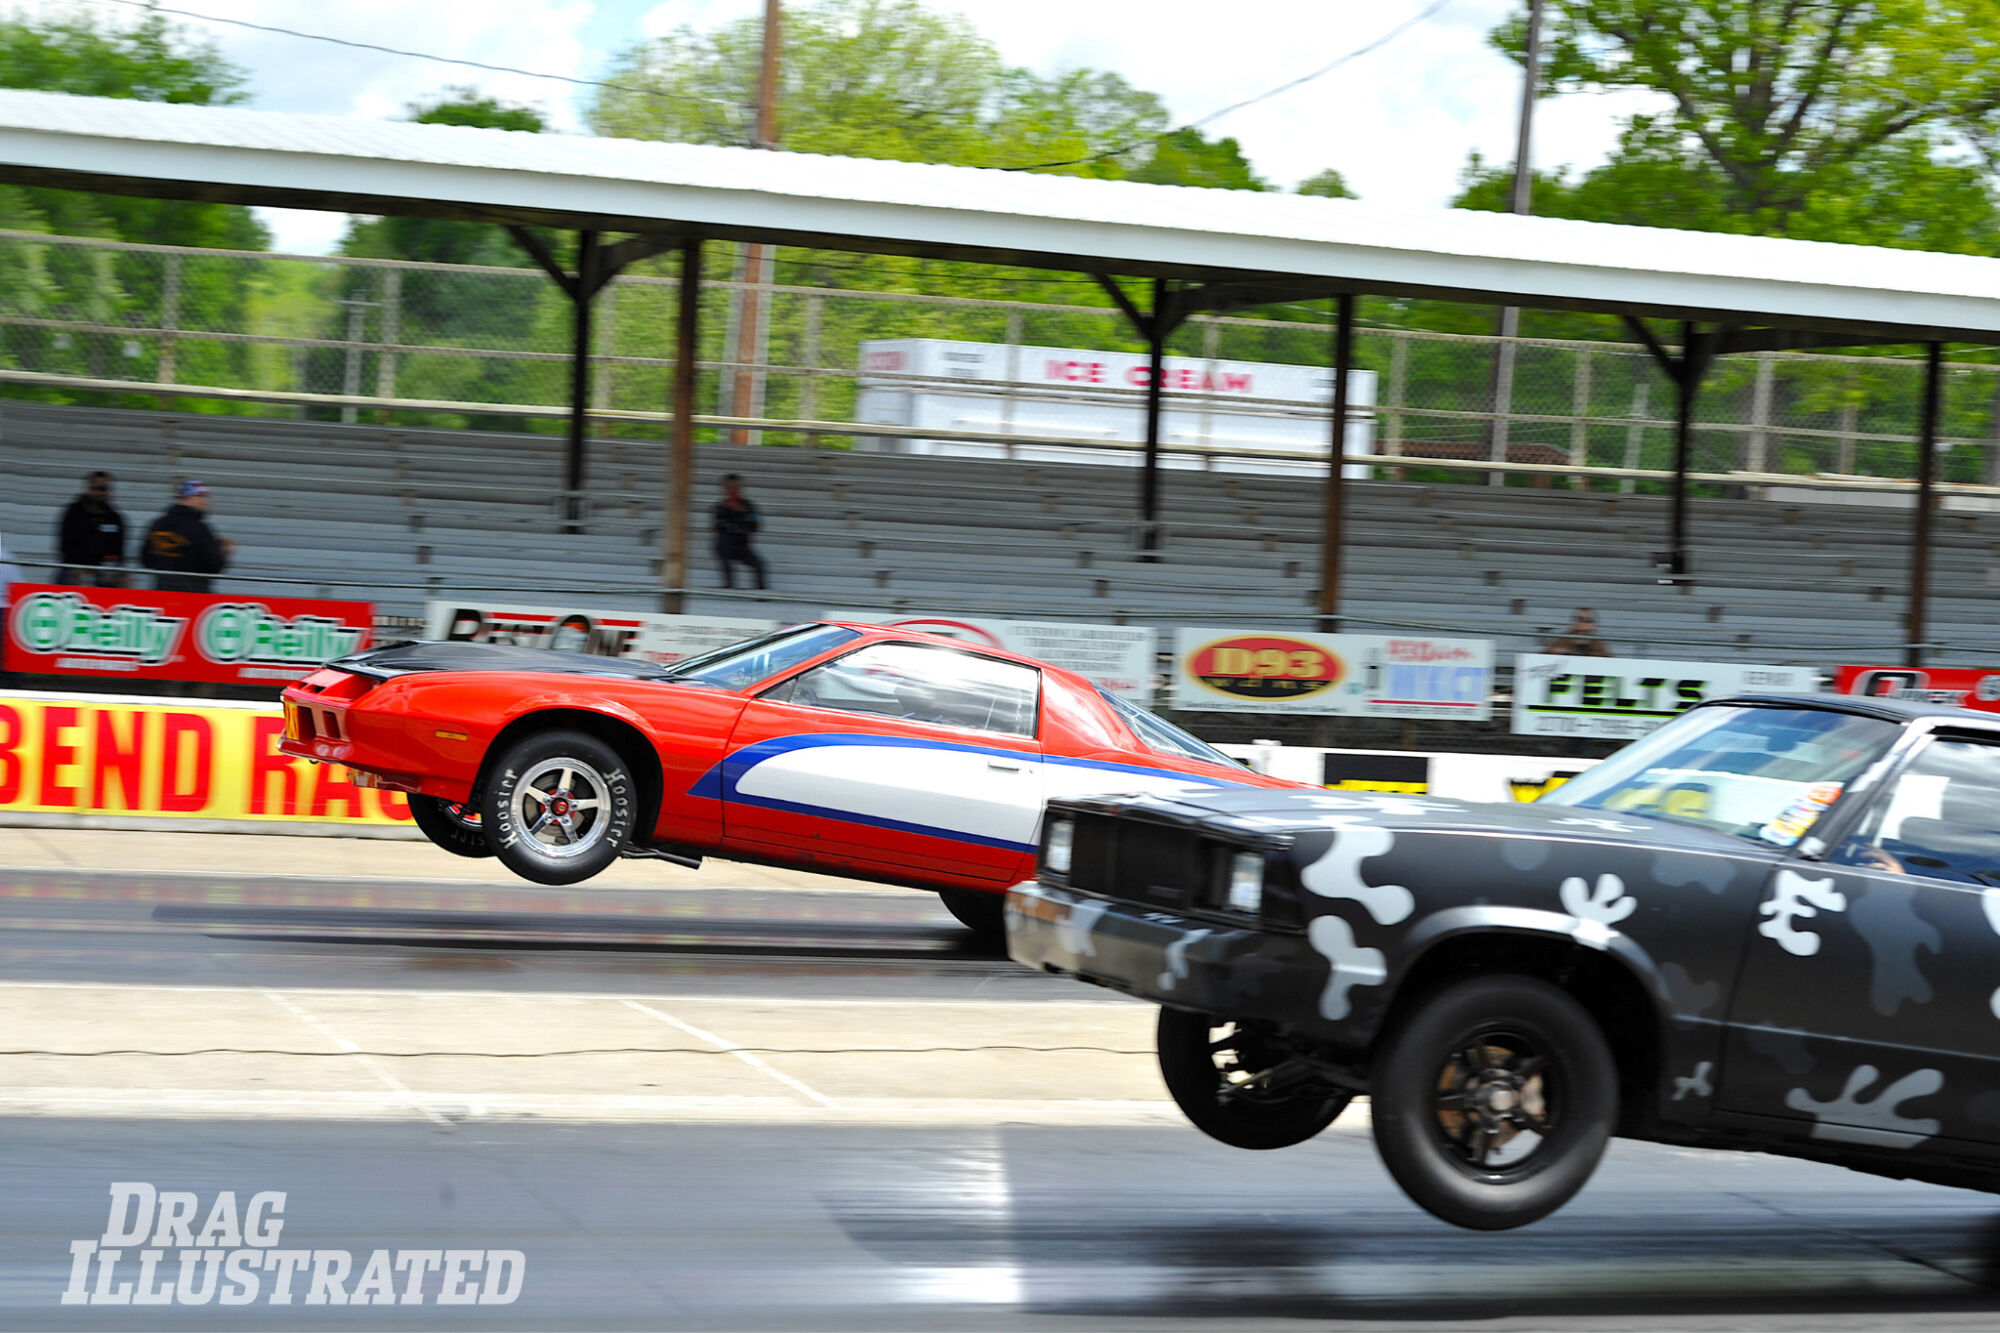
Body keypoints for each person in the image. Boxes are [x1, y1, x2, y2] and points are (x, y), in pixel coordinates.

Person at [142, 479, 234, 594]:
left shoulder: (157, 525)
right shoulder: (199, 528)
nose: (206, 502)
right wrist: (224, 551)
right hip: (193, 596)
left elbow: (146, 560)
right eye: (203, 497)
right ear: (192, 498)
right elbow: (214, 565)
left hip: (161, 593)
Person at [56, 471, 127, 585]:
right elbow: (65, 546)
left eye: (106, 489)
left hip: (104, 570)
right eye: (99, 488)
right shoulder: (73, 513)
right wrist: (80, 568)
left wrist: (116, 572)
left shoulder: (115, 518)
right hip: (75, 568)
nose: (102, 492)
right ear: (88, 489)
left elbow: (119, 551)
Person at [712, 473, 768, 591]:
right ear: (725, 489)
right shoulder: (720, 507)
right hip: (726, 544)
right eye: (730, 488)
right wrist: (739, 524)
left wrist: (740, 513)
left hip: (742, 545)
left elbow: (755, 526)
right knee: (723, 542)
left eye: (736, 487)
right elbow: (719, 527)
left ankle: (761, 593)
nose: (733, 491)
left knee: (760, 565)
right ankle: (729, 585)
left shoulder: (748, 506)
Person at [1545, 607, 1612, 657]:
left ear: (1594, 624)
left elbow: (1609, 660)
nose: (1583, 623)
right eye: (1580, 619)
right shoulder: (1563, 639)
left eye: (1588, 620)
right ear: (1573, 621)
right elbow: (1545, 655)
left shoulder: (1598, 643)